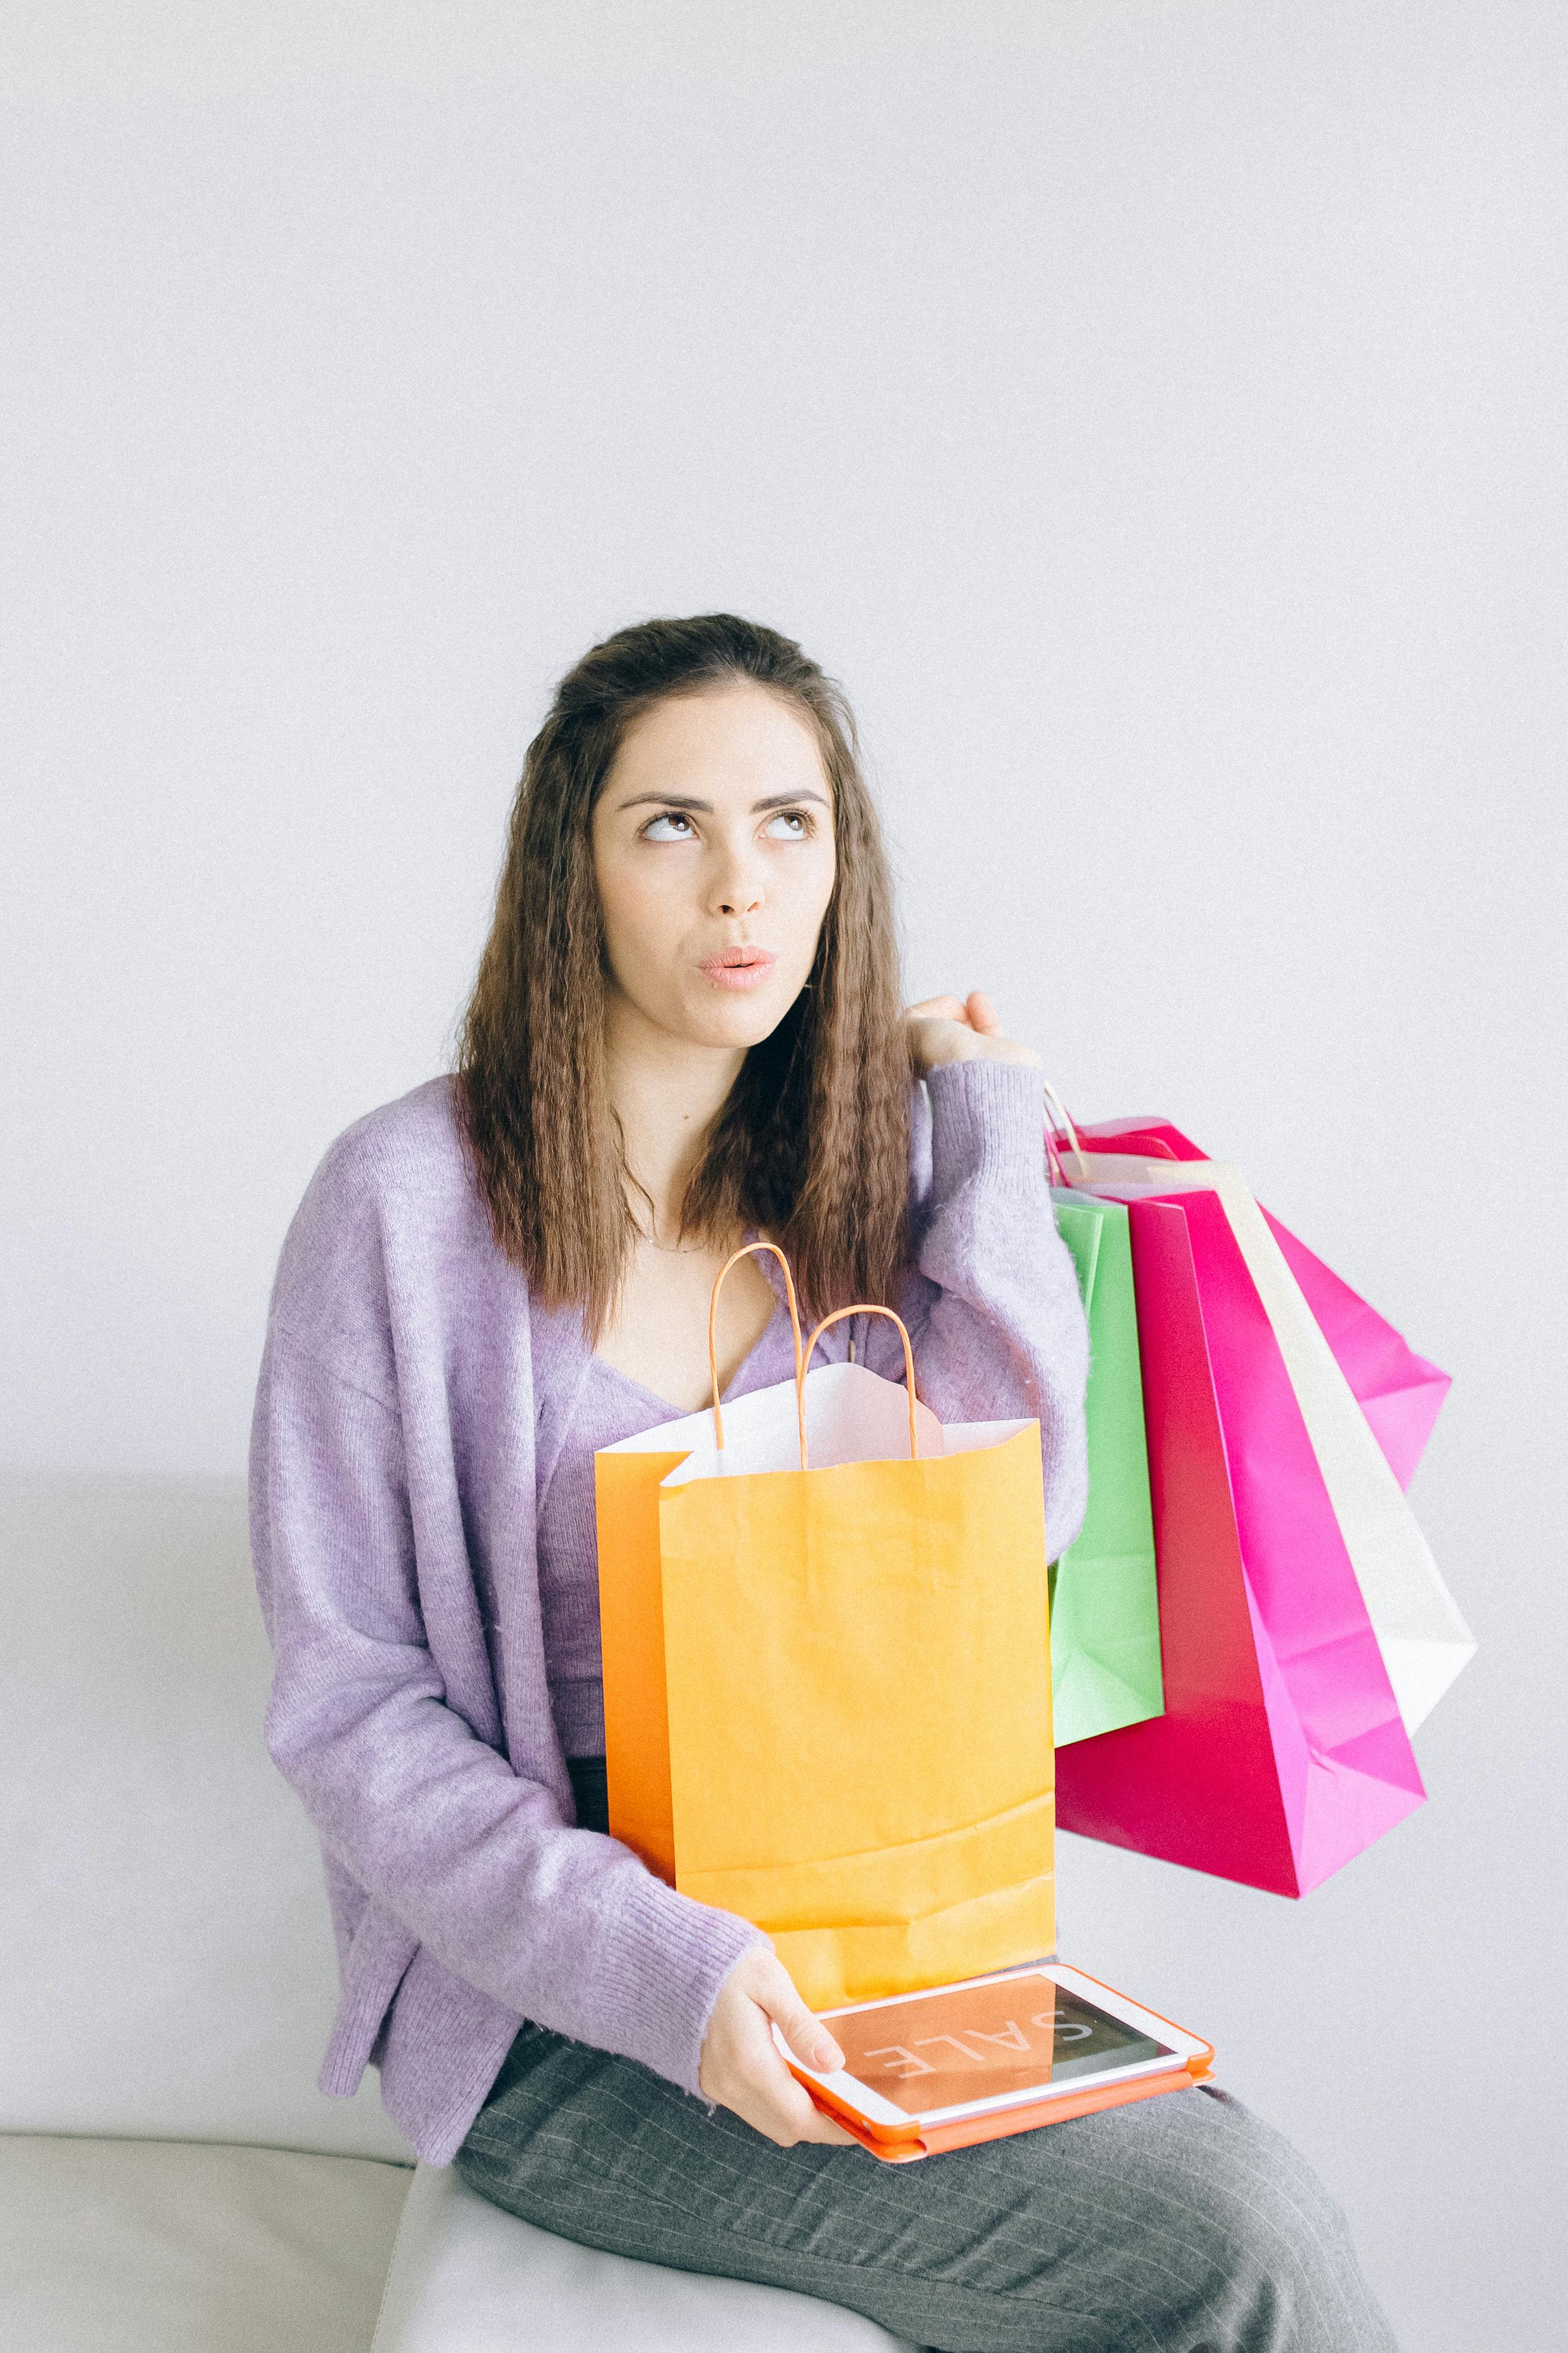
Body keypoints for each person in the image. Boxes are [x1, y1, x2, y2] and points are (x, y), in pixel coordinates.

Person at [250, 614, 1398, 2351]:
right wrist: (672, 1969)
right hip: (565, 2004)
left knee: (1250, 2209)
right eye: (670, 823)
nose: (741, 886)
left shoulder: (885, 1174)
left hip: (872, 1915)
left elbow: (1019, 1528)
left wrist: (994, 1126)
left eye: (790, 823)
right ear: (571, 864)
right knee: (1228, 2243)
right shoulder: (403, 1206)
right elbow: (353, 1708)